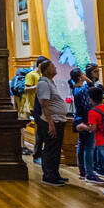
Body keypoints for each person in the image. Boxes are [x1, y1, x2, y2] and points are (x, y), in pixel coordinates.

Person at [76, 86, 104, 199]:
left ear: (91, 98)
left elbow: (93, 128)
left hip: (102, 142)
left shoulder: (93, 112)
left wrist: (82, 126)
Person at [31, 57, 69, 187]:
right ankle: (48, 176)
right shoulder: (43, 83)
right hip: (51, 121)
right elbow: (44, 104)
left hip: (57, 120)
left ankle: (55, 173)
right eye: (53, 66)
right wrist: (51, 123)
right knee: (50, 148)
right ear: (46, 70)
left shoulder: (50, 81)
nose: (56, 68)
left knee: (56, 148)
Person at [70, 64, 102, 183]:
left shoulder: (74, 88)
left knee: (81, 145)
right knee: (89, 147)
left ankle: (82, 171)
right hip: (86, 120)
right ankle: (90, 173)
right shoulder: (82, 90)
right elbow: (92, 88)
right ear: (79, 77)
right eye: (82, 74)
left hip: (78, 119)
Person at [19, 60, 41, 157]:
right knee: (27, 126)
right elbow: (25, 88)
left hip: (39, 104)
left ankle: (37, 150)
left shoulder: (41, 75)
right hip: (30, 105)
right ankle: (34, 151)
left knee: (39, 128)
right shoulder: (31, 75)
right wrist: (36, 86)